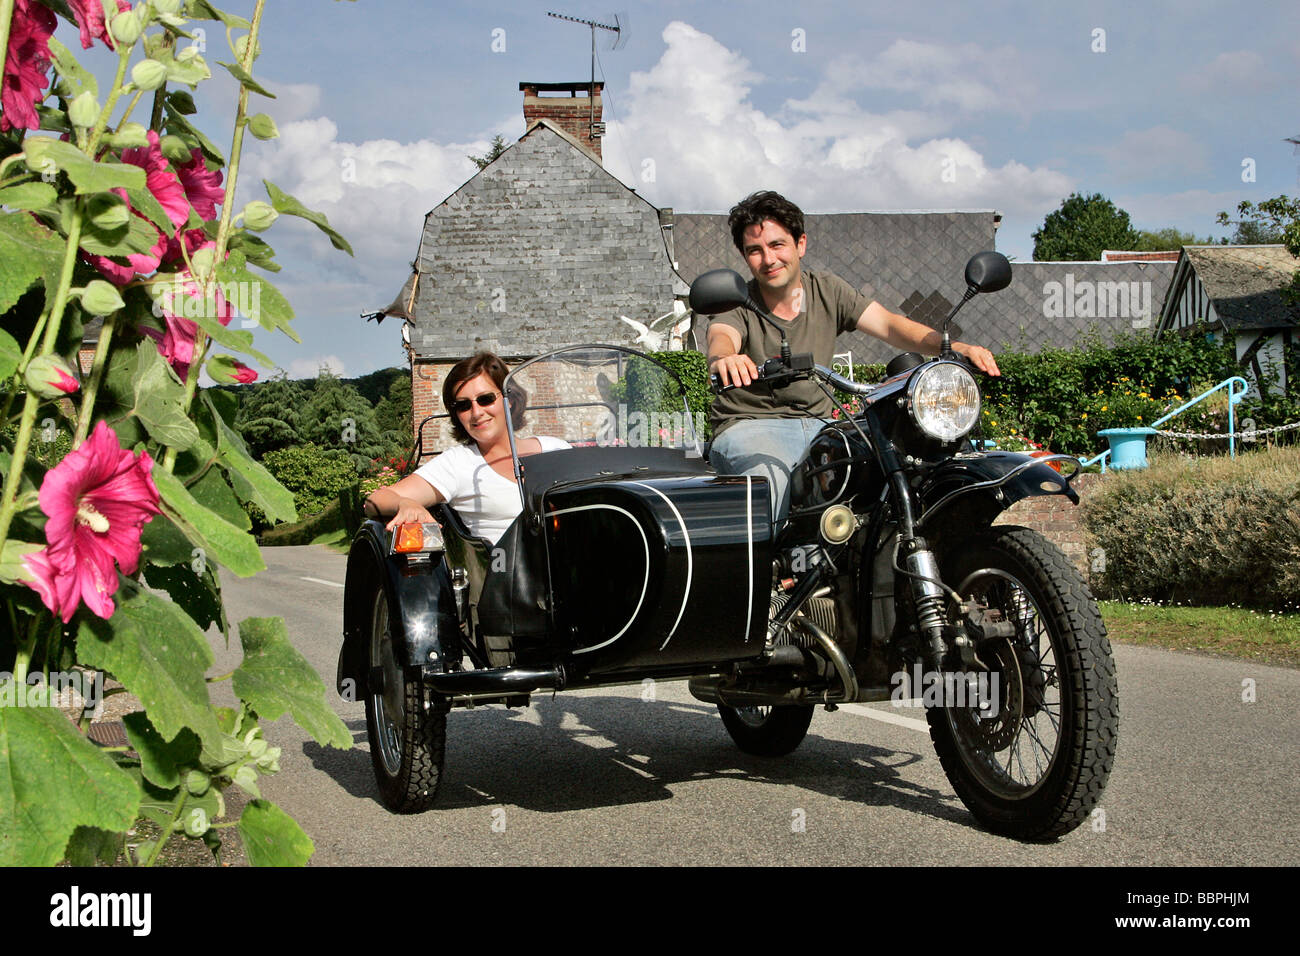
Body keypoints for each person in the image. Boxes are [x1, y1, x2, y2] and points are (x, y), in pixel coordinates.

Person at [706, 190, 1001, 524]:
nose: (768, 259)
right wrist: (726, 358)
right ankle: (762, 575)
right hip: (752, 426)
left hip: (822, 427)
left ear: (800, 244)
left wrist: (953, 347)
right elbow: (721, 337)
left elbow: (890, 325)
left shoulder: (828, 289)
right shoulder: (739, 302)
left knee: (894, 471)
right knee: (768, 480)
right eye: (755, 251)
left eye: (777, 245)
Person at [364, 351, 569, 544]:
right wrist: (405, 504)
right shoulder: (459, 463)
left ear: (510, 400)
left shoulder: (556, 449)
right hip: (509, 575)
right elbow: (376, 500)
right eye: (463, 405)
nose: (476, 412)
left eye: (485, 399)